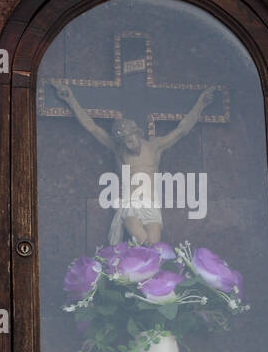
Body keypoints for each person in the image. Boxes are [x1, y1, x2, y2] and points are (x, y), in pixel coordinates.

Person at [50, 78, 216, 244]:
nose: (132, 145)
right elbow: (92, 127)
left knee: (155, 248)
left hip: (151, 205)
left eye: (133, 139)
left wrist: (201, 104)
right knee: (143, 242)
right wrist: (70, 99)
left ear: (138, 133)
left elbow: (182, 130)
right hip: (131, 205)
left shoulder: (155, 147)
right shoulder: (119, 150)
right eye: (127, 142)